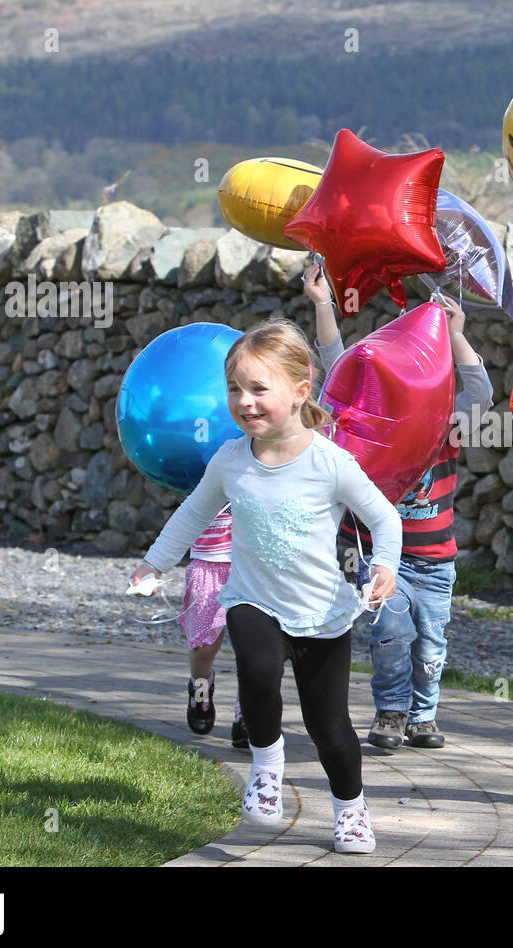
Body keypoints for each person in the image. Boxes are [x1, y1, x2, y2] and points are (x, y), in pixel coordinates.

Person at [129, 319, 401, 854]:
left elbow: (385, 520)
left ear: (301, 392)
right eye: (235, 388)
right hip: (252, 598)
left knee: (332, 730)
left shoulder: (331, 463)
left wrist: (385, 566)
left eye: (258, 389)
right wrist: (153, 564)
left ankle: (351, 811)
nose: (244, 401)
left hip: (323, 613)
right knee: (256, 669)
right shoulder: (230, 460)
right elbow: (192, 514)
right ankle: (267, 761)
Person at [304, 263, 494, 751]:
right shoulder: (365, 428)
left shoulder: (447, 426)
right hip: (375, 554)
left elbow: (482, 392)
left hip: (434, 561)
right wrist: (324, 301)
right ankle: (390, 710)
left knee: (431, 644)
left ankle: (423, 714)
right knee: (390, 631)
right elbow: (336, 364)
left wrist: (456, 336)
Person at [179, 502, 248, 749]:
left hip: (254, 564)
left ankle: (247, 713)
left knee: (254, 647)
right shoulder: (210, 465)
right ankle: (200, 688)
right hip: (209, 561)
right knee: (203, 646)